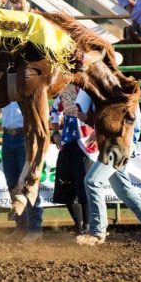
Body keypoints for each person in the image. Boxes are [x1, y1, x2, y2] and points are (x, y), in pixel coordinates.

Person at [74, 90, 141, 247]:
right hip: (115, 146)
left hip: (117, 147)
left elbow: (125, 122)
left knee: (92, 181)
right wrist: (90, 123)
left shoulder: (117, 92)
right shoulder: (114, 90)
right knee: (124, 191)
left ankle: (97, 233)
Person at [0, 102, 43, 242]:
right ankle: (22, 227)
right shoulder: (6, 90)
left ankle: (34, 228)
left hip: (26, 135)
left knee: (28, 183)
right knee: (12, 182)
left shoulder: (26, 89)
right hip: (8, 136)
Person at [49, 84, 93, 235]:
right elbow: (54, 110)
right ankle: (80, 225)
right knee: (66, 186)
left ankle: (87, 226)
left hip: (87, 143)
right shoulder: (65, 90)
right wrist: (55, 133)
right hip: (69, 141)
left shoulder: (91, 89)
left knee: (84, 187)